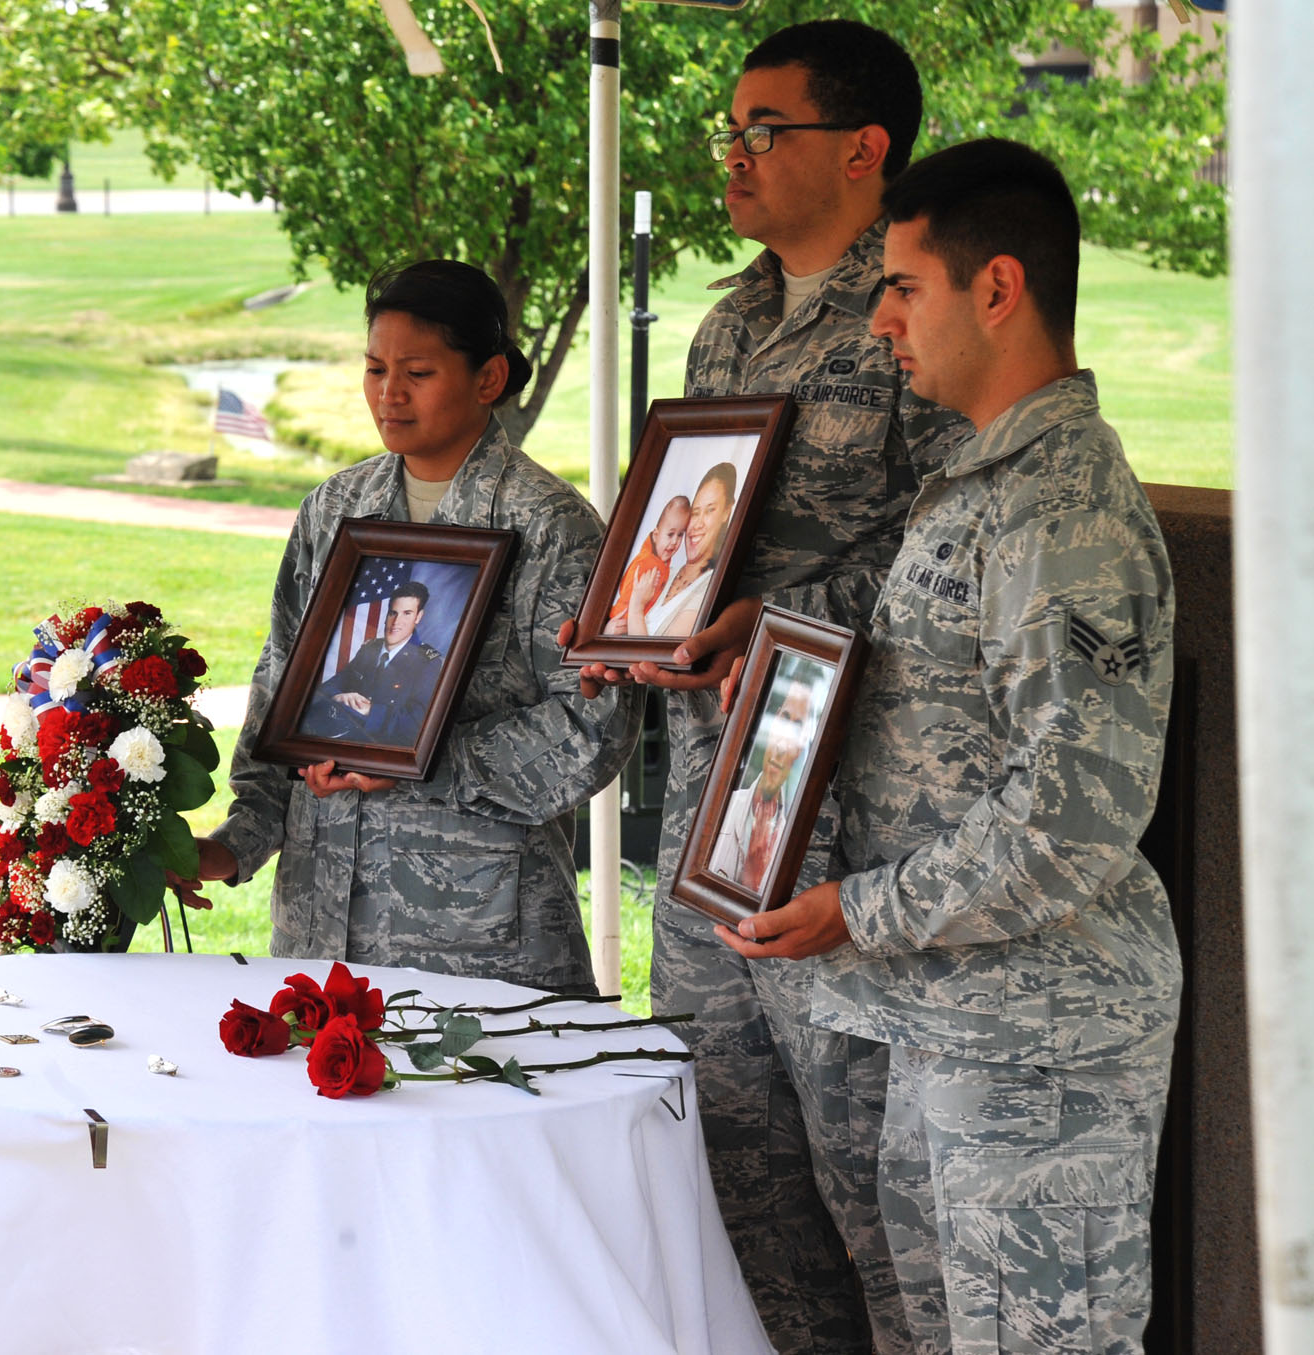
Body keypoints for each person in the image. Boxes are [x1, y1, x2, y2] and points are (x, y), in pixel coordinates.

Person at [723, 138, 1178, 1355]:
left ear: (998, 289)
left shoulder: (1061, 506)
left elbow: (1071, 816)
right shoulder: (977, 481)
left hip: (1044, 1046)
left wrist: (858, 909)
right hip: (945, 1017)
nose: (878, 324)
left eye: (904, 287)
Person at [562, 20, 970, 1355]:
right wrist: (637, 618)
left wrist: (774, 621)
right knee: (733, 1166)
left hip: (852, 821)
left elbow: (952, 567)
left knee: (872, 1188)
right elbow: (690, 536)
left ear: (863, 151)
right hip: (713, 815)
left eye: (763, 130)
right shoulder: (731, 318)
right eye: (727, 129)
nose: (732, 155)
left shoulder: (920, 311)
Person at [177, 259, 636, 992]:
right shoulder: (335, 511)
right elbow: (282, 691)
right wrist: (235, 843)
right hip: (320, 932)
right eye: (374, 368)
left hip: (479, 946)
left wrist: (426, 759)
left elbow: (594, 726)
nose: (389, 393)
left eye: (418, 372)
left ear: (488, 378)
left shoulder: (552, 528)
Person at [302, 580, 444, 746]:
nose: (396, 621)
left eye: (407, 613)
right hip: (340, 737)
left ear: (418, 617)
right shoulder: (370, 649)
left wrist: (370, 711)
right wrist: (340, 696)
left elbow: (415, 725)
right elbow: (327, 687)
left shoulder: (427, 662)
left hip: (383, 751)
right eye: (393, 613)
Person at [708, 679, 815, 892]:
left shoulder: (797, 832)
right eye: (784, 719)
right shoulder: (726, 803)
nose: (782, 746)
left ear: (804, 745)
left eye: (796, 728)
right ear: (773, 721)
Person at [643, 462, 737, 636]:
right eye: (695, 512)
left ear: (726, 512)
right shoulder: (664, 572)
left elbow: (664, 654)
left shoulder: (710, 587)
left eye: (710, 510)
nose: (698, 524)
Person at [606, 495, 688, 635]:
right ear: (656, 535)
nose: (675, 541)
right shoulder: (645, 564)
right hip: (623, 624)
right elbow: (626, 596)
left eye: (680, 535)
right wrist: (610, 628)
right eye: (670, 534)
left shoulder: (662, 562)